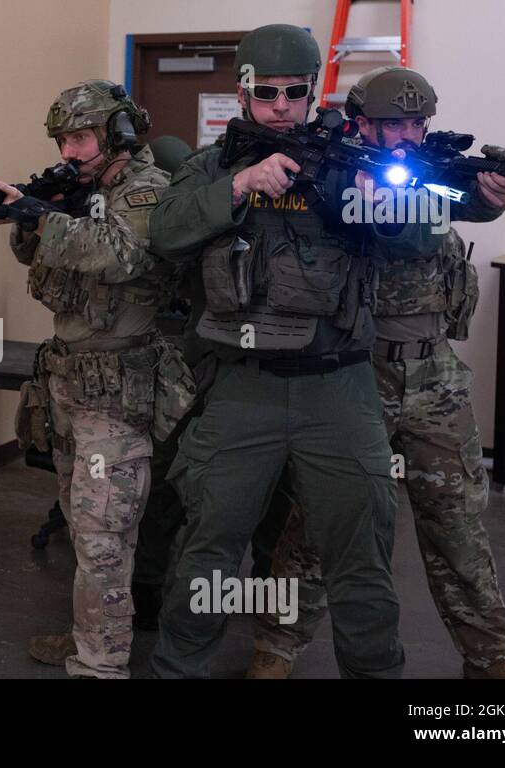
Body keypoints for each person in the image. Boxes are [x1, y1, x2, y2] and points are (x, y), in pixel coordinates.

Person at [248, 66, 505, 680]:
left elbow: (463, 202)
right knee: (320, 520)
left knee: (456, 525)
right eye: (392, 124)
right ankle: (276, 645)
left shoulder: (424, 168)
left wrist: (491, 194)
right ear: (362, 125)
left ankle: (492, 656)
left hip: (435, 378)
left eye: (415, 123)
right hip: (356, 374)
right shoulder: (332, 170)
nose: (406, 136)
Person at [147, 24, 405, 679]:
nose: (283, 105)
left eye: (296, 91)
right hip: (242, 385)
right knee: (209, 544)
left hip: (339, 389)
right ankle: (178, 668)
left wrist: (387, 207)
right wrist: (239, 187)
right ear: (243, 91)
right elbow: (166, 232)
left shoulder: (354, 158)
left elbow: (421, 240)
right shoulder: (213, 164)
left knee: (362, 557)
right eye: (268, 93)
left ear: (314, 88)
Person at [0, 79, 190, 678]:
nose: (68, 151)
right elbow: (38, 254)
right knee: (81, 522)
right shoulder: (81, 188)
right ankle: (89, 638)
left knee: (105, 534)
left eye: (79, 137)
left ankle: (101, 666)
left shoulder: (150, 192)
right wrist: (21, 215)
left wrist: (37, 213)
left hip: (117, 387)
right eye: (62, 140)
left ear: (118, 134)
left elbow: (120, 255)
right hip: (66, 382)